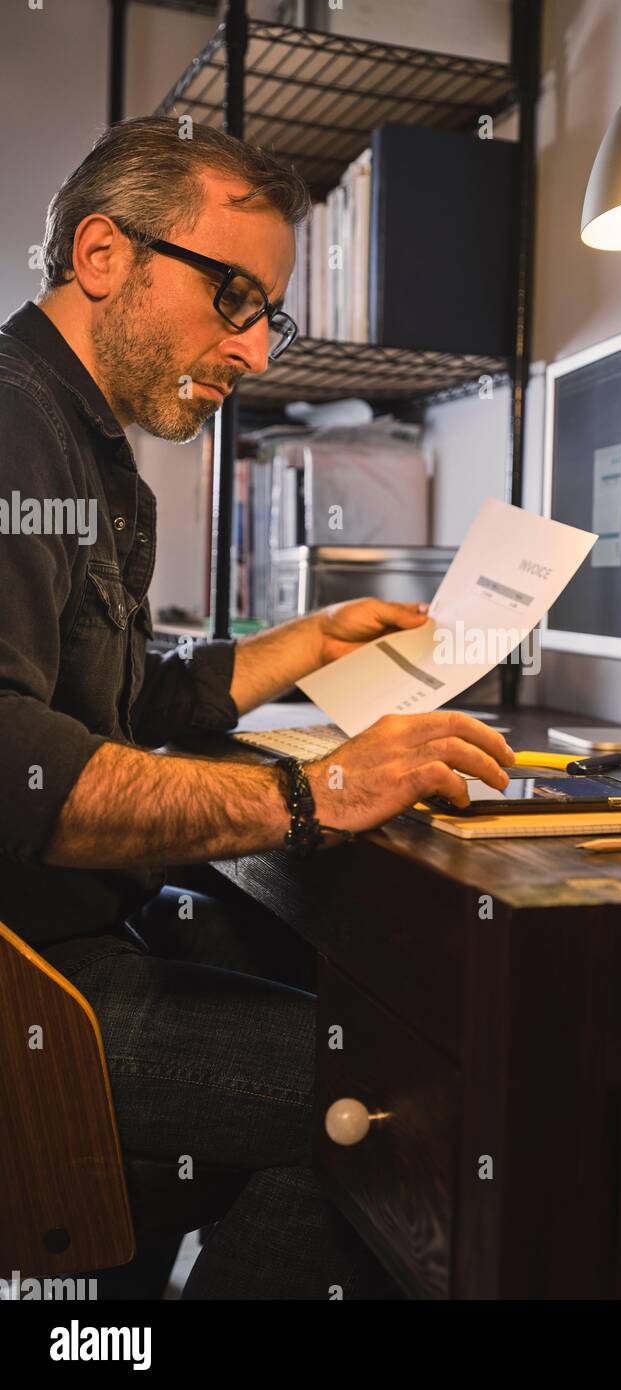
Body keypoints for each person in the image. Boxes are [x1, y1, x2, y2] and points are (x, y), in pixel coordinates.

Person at [0, 115, 513, 1299]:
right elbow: (17, 763)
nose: (257, 352)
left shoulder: (85, 443)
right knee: (413, 1104)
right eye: (234, 296)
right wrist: (319, 787)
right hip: (36, 981)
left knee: (350, 993)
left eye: (266, 314)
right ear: (102, 256)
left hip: (73, 940)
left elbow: (124, 698)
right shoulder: (16, 425)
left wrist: (305, 642)